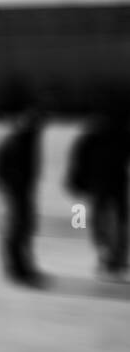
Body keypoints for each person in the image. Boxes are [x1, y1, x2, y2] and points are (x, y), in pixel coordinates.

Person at [67, 105, 130, 277]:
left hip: (106, 184)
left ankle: (111, 255)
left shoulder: (94, 136)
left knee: (109, 221)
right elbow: (79, 161)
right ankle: (111, 255)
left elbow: (78, 161)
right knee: (111, 221)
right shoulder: (115, 135)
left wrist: (75, 180)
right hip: (107, 184)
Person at [0, 106, 44, 285]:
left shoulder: (29, 140)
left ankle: (23, 265)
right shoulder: (17, 141)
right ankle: (16, 267)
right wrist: (8, 186)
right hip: (16, 190)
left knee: (25, 226)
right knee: (17, 227)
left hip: (22, 189)